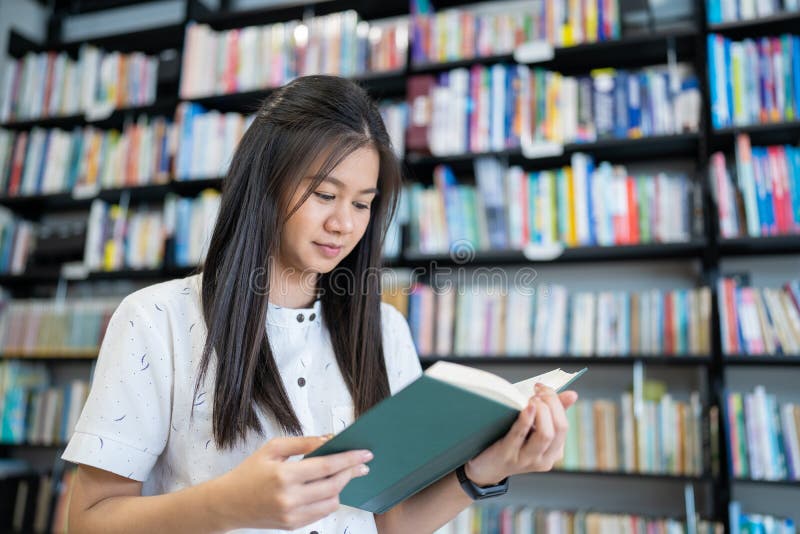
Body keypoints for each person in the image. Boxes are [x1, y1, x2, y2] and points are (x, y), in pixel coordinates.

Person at [62, 75, 578, 533]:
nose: (344, 224)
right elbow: (88, 520)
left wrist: (485, 470)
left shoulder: (384, 330)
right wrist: (226, 506)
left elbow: (391, 520)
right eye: (324, 195)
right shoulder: (155, 320)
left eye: (361, 203)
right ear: (264, 184)